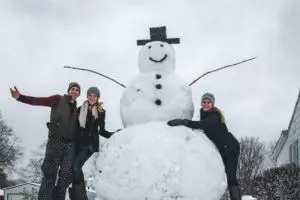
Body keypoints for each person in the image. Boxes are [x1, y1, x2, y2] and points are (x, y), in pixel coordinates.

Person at [10, 82, 81, 200]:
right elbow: (39, 101)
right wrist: (20, 97)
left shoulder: (77, 109)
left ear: (78, 93)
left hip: (70, 144)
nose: (74, 91)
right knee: (50, 174)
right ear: (68, 91)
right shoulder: (58, 99)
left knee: (65, 177)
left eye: (77, 90)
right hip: (56, 141)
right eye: (72, 89)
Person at [167, 92, 241, 200]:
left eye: (208, 102)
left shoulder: (215, 115)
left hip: (231, 148)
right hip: (223, 149)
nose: (206, 104)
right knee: (226, 176)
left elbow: (202, 125)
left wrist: (183, 122)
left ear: (212, 104)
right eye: (204, 102)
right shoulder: (204, 114)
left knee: (231, 177)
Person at [71, 86, 116, 200]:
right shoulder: (80, 109)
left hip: (90, 145)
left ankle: (80, 196)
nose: (92, 97)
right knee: (72, 168)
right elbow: (75, 127)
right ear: (87, 96)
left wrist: (115, 134)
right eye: (90, 95)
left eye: (94, 96)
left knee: (76, 166)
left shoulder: (101, 112)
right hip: (77, 143)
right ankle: (76, 194)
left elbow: (102, 131)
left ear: (98, 98)